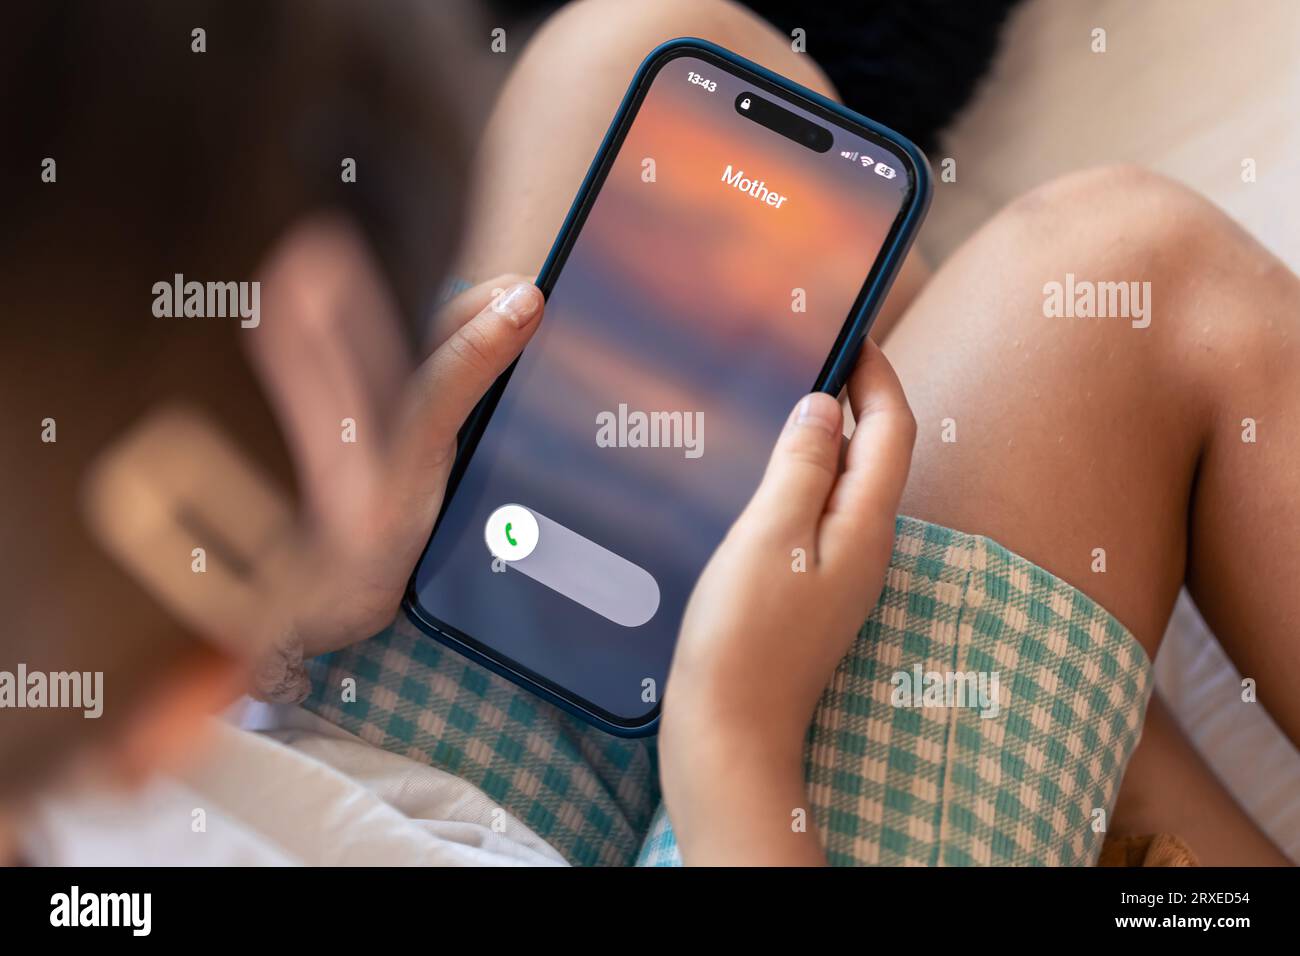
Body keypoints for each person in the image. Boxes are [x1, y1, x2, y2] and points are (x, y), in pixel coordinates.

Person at [3, 0, 1295, 866]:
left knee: (651, 52)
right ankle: (1085, 713)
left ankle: (1094, 726)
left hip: (323, 743)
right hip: (707, 815)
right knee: (1130, 268)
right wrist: (736, 732)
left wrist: (286, 609)